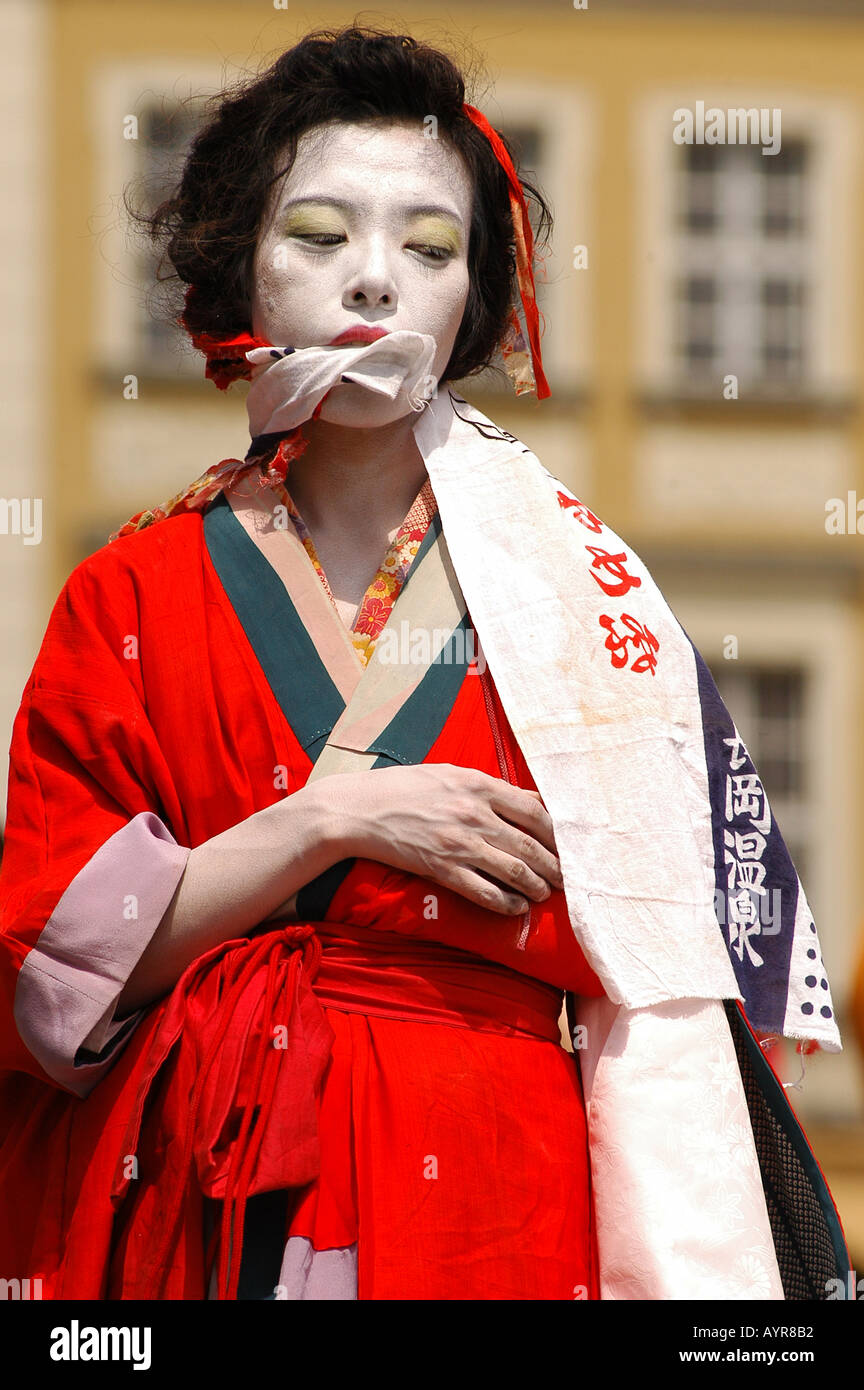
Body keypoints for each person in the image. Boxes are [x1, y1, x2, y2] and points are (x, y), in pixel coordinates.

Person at [0, 24, 851, 1301]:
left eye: (430, 247)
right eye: (320, 236)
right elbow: (48, 976)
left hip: (506, 1204)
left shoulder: (582, 603)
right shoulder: (128, 592)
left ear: (473, 302)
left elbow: (667, 962)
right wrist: (328, 821)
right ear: (243, 272)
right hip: (205, 1200)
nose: (374, 283)